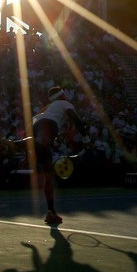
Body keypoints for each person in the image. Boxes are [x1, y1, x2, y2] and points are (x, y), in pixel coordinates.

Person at [27, 86, 82, 225]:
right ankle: (51, 212)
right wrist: (86, 140)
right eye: (64, 94)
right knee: (49, 177)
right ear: (62, 96)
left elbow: (34, 124)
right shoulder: (64, 103)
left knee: (48, 173)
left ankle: (51, 213)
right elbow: (77, 120)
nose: (66, 96)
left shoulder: (48, 108)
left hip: (35, 126)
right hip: (45, 127)